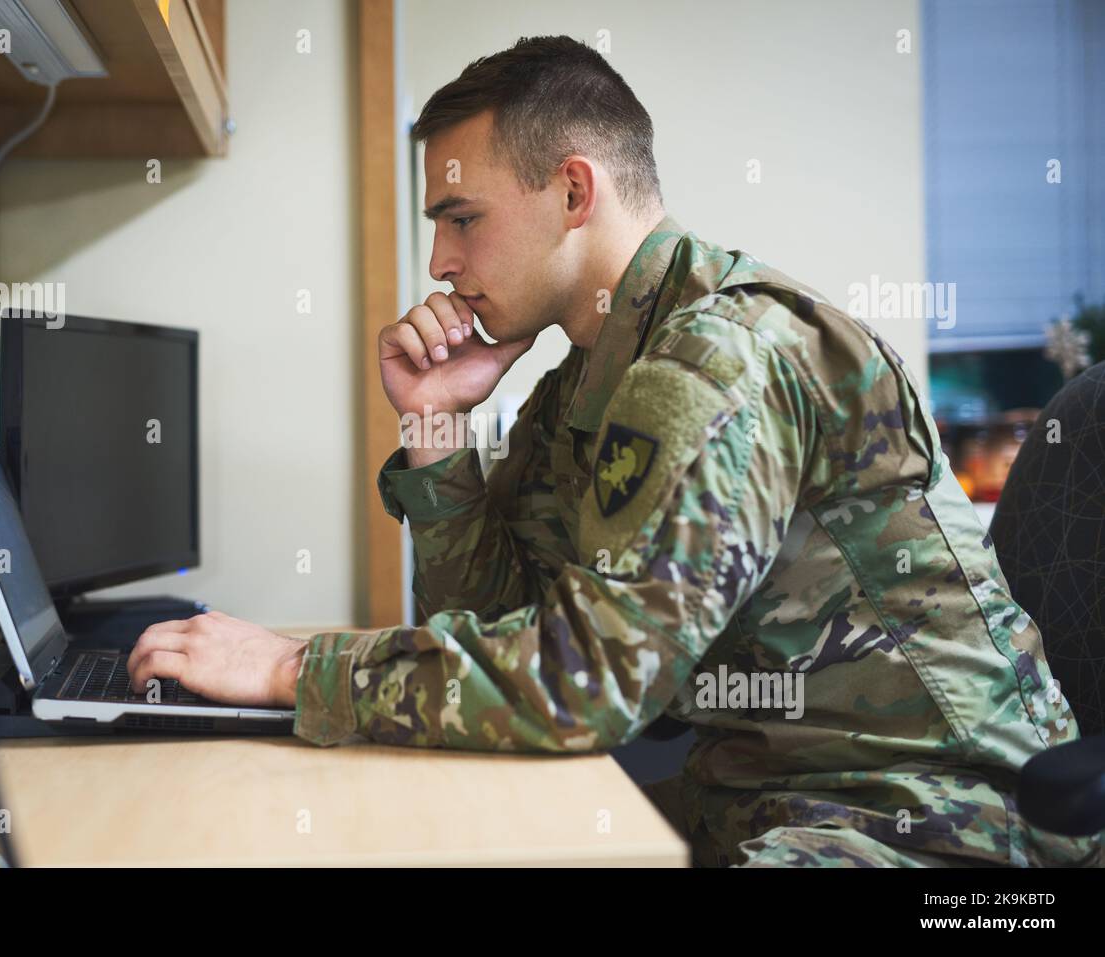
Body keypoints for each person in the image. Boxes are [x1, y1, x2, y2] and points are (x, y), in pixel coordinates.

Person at [128, 36, 1098, 868]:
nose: (439, 264)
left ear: (573, 189)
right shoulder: (589, 379)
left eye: (460, 218)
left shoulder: (715, 362)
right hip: (772, 799)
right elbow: (501, 622)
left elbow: (577, 685)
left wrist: (291, 670)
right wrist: (436, 426)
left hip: (938, 822)